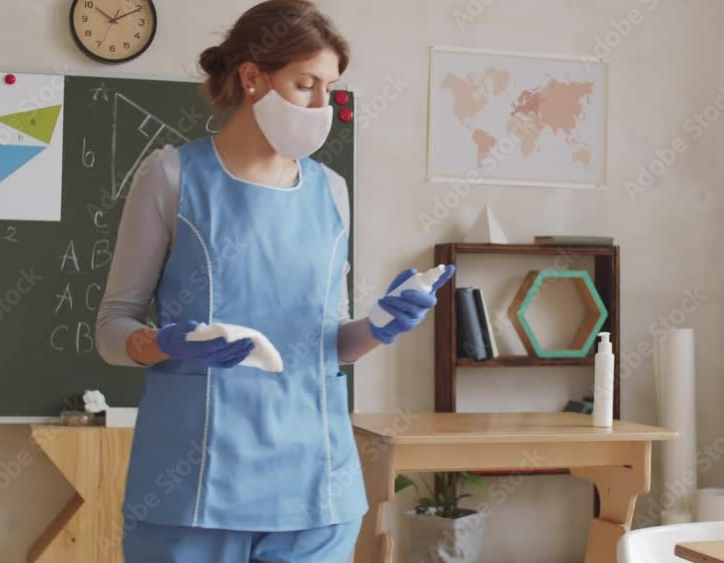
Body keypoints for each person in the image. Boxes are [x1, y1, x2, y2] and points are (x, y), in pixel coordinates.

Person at [93, 1, 455, 561]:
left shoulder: (330, 191)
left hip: (315, 488)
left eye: (329, 88)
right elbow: (112, 329)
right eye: (305, 83)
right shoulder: (172, 177)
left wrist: (381, 326)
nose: (320, 105)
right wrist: (158, 343)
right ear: (252, 77)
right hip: (194, 489)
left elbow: (325, 343)